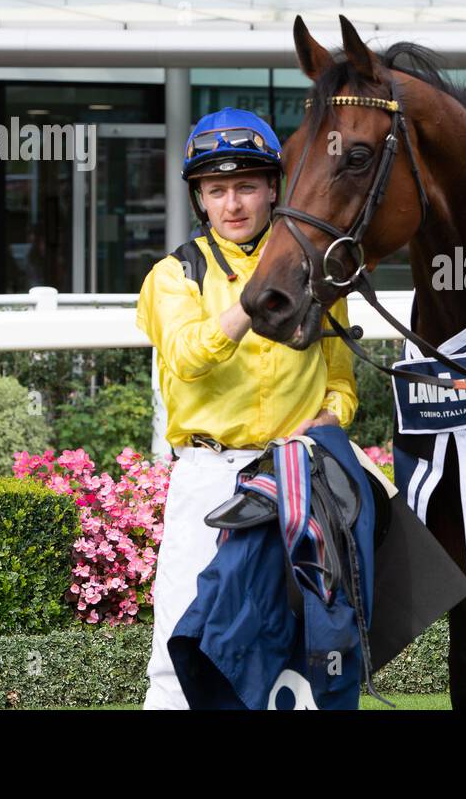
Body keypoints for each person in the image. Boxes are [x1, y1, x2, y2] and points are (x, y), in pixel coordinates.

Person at [136, 108, 359, 709]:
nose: (232, 203)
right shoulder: (173, 275)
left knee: (306, 643)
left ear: (272, 192)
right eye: (217, 190)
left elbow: (338, 374)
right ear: (200, 200)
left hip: (296, 476)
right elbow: (185, 357)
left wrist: (336, 410)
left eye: (246, 187)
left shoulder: (315, 271)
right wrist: (254, 298)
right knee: (180, 643)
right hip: (212, 479)